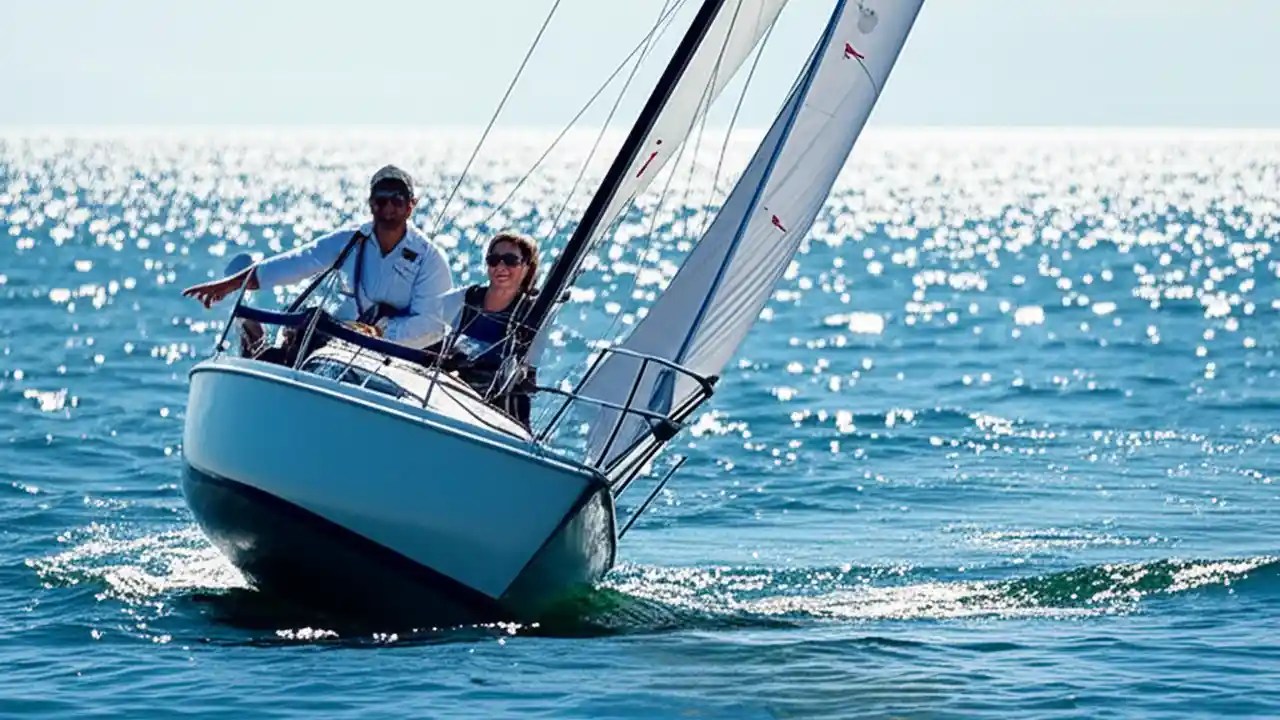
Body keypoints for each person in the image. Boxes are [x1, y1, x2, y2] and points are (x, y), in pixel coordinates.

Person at [182, 165, 453, 350]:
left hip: (395, 360)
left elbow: (432, 324)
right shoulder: (352, 239)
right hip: (342, 346)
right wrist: (228, 285)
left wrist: (378, 333)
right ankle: (255, 340)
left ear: (411, 205)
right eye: (381, 199)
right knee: (305, 326)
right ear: (371, 203)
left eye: (398, 199)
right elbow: (297, 262)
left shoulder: (430, 259)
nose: (389, 208)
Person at [439, 230, 540, 426]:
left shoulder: (534, 314)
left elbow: (533, 369)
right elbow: (425, 316)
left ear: (527, 266)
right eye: (494, 259)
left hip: (499, 414)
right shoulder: (466, 298)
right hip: (449, 398)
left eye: (510, 260)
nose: (501, 266)